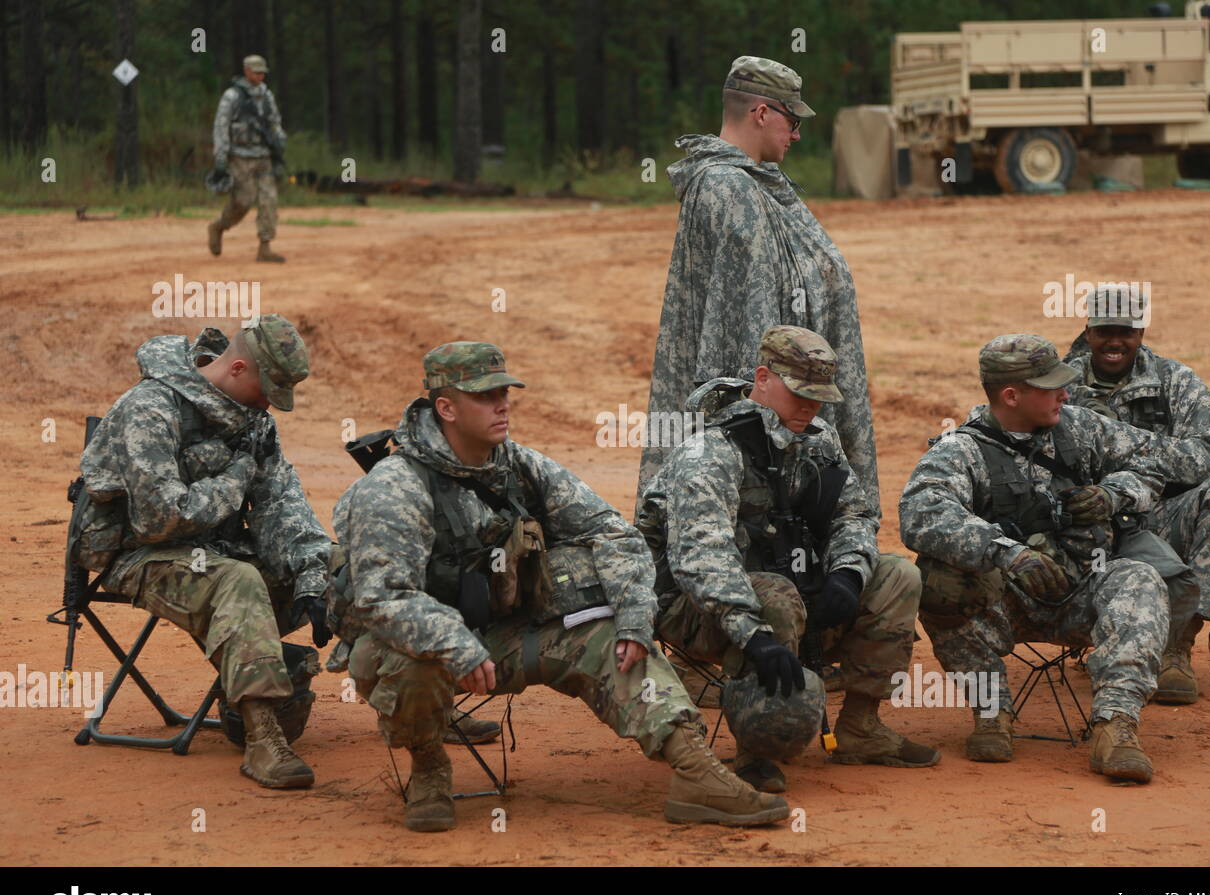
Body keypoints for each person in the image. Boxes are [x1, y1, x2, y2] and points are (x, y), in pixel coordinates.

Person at [329, 342, 789, 831]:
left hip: (513, 634)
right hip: (442, 651)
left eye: (504, 393)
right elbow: (384, 596)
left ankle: (696, 771)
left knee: (617, 637)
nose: (502, 405)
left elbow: (612, 532)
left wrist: (635, 618)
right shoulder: (395, 486)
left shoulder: (518, 466)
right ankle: (428, 768)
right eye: (485, 397)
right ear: (446, 408)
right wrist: (456, 644)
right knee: (406, 658)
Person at [638, 326, 938, 795]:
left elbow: (853, 512)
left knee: (898, 574)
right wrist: (751, 633)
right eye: (800, 393)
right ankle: (755, 754)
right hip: (696, 607)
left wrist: (846, 575)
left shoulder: (818, 439)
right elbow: (702, 558)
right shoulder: (709, 453)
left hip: (791, 584)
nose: (810, 407)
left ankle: (860, 728)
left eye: (820, 397)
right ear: (763, 378)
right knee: (775, 597)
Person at [899, 333, 1173, 783]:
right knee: (941, 579)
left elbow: (1155, 464)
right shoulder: (961, 450)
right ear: (1011, 395)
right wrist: (1005, 552)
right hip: (1005, 602)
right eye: (1051, 386)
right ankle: (992, 713)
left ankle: (1115, 726)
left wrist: (1114, 493)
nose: (1065, 393)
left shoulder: (1081, 426)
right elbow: (921, 513)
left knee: (1139, 578)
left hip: (1087, 590)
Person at [76, 315, 332, 788]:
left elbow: (283, 504)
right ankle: (262, 739)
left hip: (216, 552)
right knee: (237, 580)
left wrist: (315, 575)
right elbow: (159, 519)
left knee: (339, 566)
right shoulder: (151, 407)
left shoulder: (253, 422)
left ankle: (427, 712)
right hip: (139, 556)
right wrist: (235, 480)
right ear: (237, 368)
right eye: (266, 390)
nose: (269, 405)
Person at [638, 55, 877, 517]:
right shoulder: (729, 189)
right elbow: (747, 324)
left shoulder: (756, 185)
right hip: (771, 415)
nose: (797, 133)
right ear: (762, 113)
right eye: (792, 118)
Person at [1064, 287, 1210, 704]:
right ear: (1088, 331)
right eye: (1106, 331)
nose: (1115, 342)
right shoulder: (1058, 383)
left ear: (1141, 331)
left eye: (1126, 330)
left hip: (1160, 515)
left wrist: (1129, 450)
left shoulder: (1173, 380)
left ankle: (1177, 643)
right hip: (1085, 524)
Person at [209, 54, 287, 263]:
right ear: (246, 71)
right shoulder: (232, 96)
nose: (261, 75)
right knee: (243, 201)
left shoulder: (266, 95)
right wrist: (221, 156)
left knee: (269, 201)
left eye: (263, 72)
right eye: (257, 71)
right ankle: (219, 226)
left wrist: (279, 141)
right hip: (240, 157)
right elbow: (221, 127)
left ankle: (265, 246)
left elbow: (274, 121)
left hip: (264, 156)